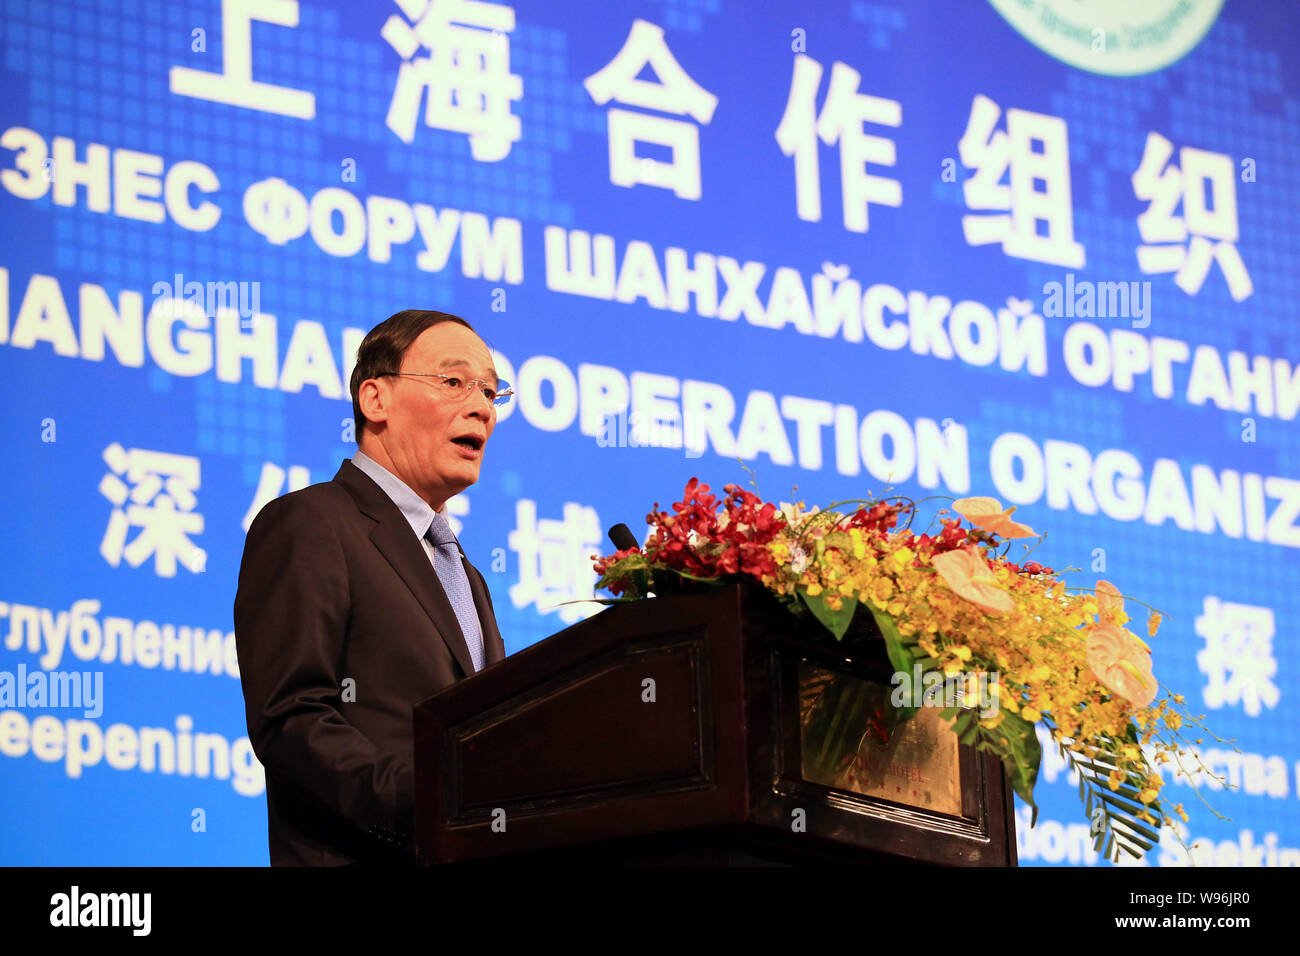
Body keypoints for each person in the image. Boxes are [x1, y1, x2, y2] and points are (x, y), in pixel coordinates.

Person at [233, 309, 508, 866]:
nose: (481, 406)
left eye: (491, 391)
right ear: (375, 400)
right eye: (454, 382)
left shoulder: (465, 573)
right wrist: (432, 803)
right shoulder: (312, 523)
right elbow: (292, 719)